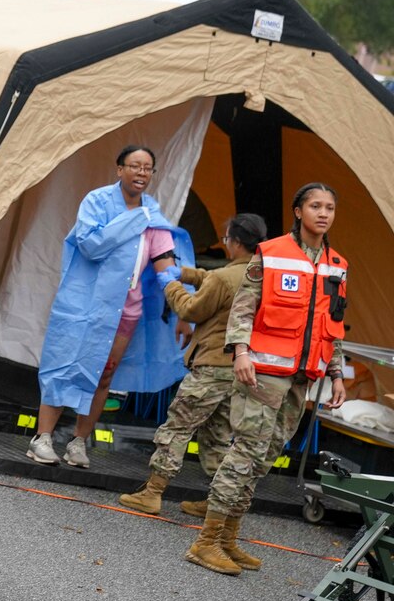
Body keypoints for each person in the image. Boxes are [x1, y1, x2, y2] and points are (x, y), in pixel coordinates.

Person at [186, 183, 348, 575]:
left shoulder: (337, 264)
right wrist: (240, 352)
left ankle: (228, 539)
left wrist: (337, 374)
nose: (323, 213)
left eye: (329, 207)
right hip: (262, 374)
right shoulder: (272, 253)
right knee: (244, 455)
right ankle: (205, 542)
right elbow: (244, 307)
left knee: (262, 460)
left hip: (300, 379)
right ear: (298, 211)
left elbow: (334, 323)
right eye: (314, 206)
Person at [28, 145, 192, 469]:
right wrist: (134, 221)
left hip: (125, 311)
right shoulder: (98, 201)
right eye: (134, 166)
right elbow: (90, 245)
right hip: (84, 305)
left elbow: (165, 265)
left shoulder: (152, 216)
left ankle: (78, 442)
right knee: (64, 366)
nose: (141, 173)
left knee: (104, 376)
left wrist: (183, 306)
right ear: (119, 169)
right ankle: (42, 438)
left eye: (148, 168)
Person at [118, 213, 267, 515]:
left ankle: (153, 492)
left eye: (227, 239)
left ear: (235, 242)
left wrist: (169, 284)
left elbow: (192, 308)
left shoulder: (226, 278)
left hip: (212, 366)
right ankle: (218, 503)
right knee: (218, 436)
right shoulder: (264, 275)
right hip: (243, 369)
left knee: (178, 427)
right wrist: (185, 273)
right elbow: (217, 281)